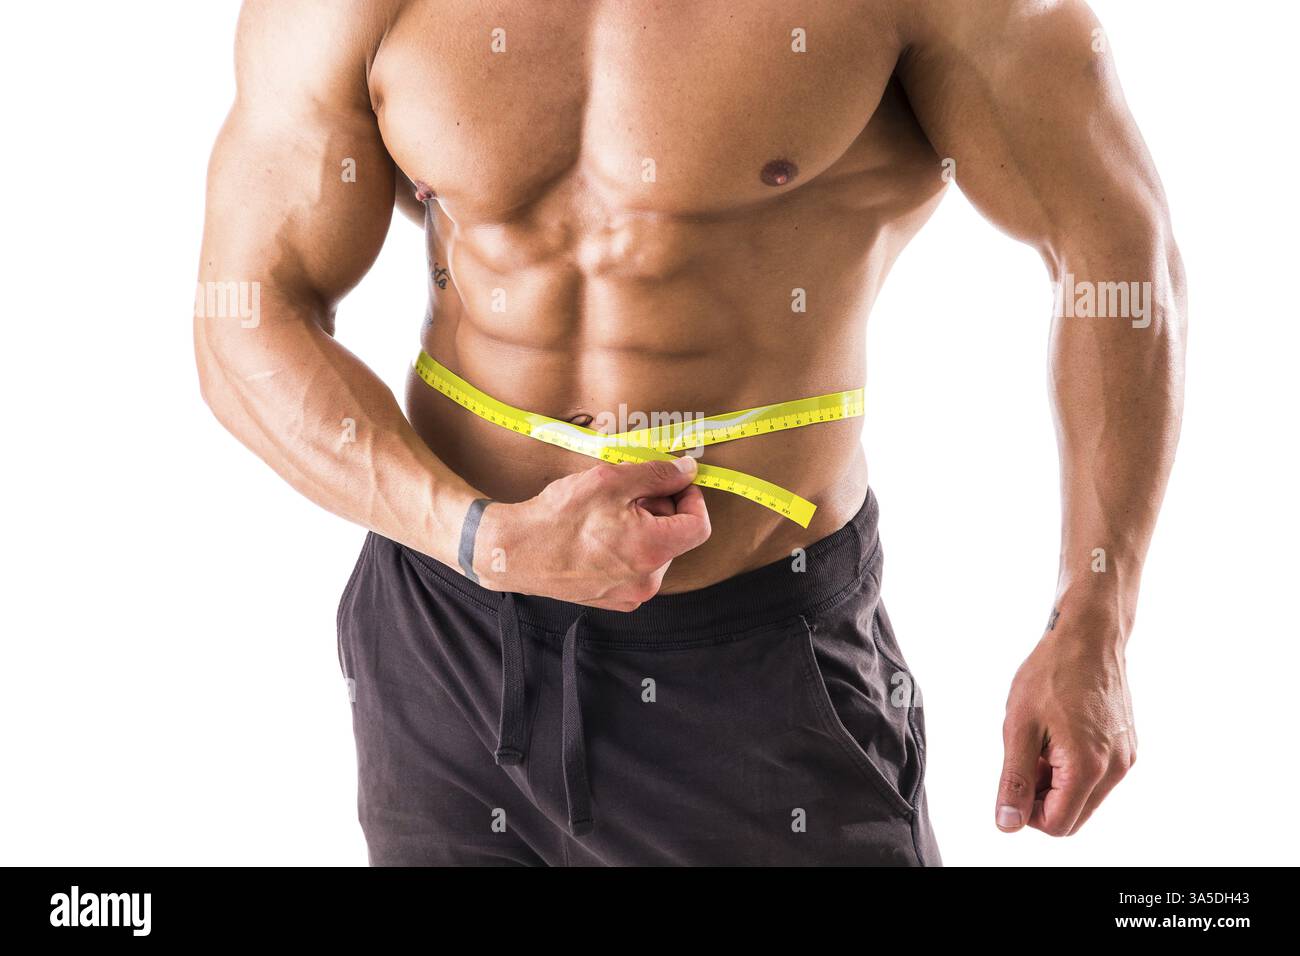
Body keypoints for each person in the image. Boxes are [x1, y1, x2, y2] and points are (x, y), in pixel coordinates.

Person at [195, 0, 1185, 865]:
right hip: (439, 625)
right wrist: (478, 537)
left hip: (748, 651)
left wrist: (1094, 616)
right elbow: (246, 308)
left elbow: (1114, 255)